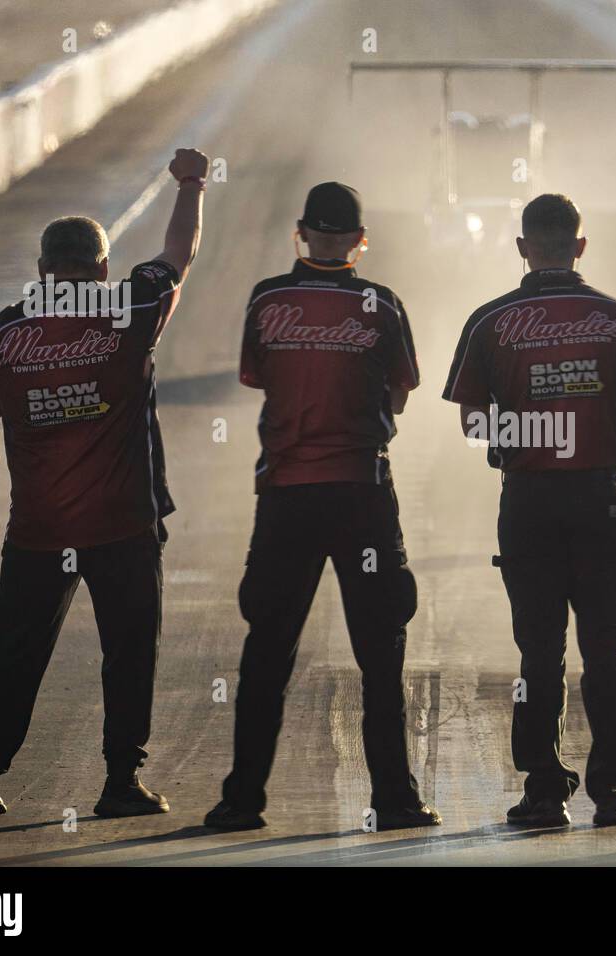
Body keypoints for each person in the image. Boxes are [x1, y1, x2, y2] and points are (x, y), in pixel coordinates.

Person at [0, 148, 209, 819]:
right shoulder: (130, 304)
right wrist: (190, 182)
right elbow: (179, 254)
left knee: (14, 653)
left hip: (37, 529)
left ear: (41, 270)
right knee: (128, 654)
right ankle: (120, 781)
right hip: (122, 523)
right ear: (100, 267)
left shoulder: (7, 330)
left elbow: (4, 406)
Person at [204, 182, 440, 832]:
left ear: (300, 234)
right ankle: (394, 799)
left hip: (286, 495)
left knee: (268, 651)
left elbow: (259, 377)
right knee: (380, 651)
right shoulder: (381, 304)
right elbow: (400, 393)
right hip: (361, 492)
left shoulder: (267, 299)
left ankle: (241, 801)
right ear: (361, 243)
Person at [443, 193, 616, 828]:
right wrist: (599, 454)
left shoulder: (489, 321)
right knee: (606, 649)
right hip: (599, 496)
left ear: (521, 247)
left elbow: (472, 423)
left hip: (530, 502)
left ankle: (543, 791)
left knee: (538, 652)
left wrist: (524, 442)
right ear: (580, 245)